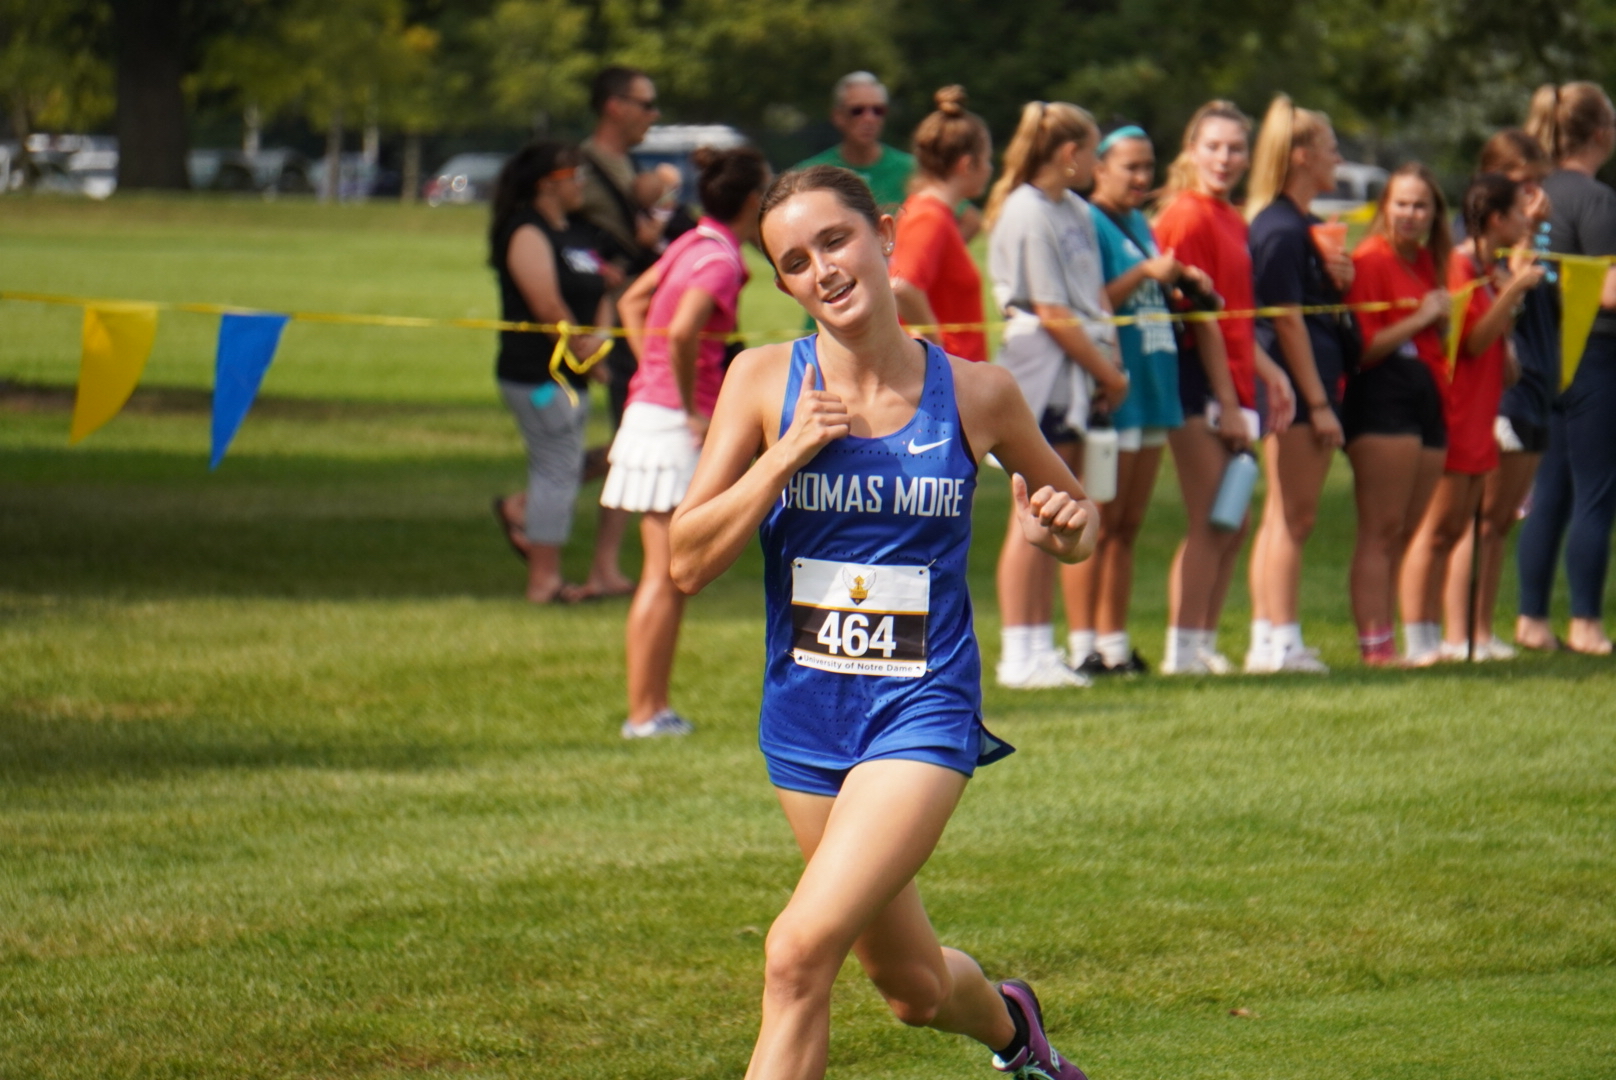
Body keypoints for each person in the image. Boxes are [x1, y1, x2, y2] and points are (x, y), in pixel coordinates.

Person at [668, 163, 1099, 1080]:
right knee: (911, 990)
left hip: (922, 712)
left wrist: (1060, 532)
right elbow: (686, 560)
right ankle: (1015, 1029)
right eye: (794, 260)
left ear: (884, 233)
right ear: (782, 283)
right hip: (806, 720)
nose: (822, 268)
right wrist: (783, 455)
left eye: (835, 240)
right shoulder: (758, 382)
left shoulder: (979, 394)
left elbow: (1080, 519)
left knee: (795, 955)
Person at [606, 146, 771, 739]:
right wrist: (688, 404)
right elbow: (679, 331)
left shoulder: (691, 241)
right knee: (664, 575)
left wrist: (648, 372)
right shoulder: (721, 260)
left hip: (650, 413)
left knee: (667, 574)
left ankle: (652, 708)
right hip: (672, 423)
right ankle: (645, 714)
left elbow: (632, 299)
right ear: (754, 202)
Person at [985, 100, 1128, 688]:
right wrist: (1110, 374)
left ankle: (1043, 647)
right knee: (1032, 507)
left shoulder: (1072, 210)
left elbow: (1087, 300)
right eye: (1092, 150)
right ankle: (1021, 651)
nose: (1095, 162)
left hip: (1072, 376)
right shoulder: (1025, 211)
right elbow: (1050, 311)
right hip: (1038, 376)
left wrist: (1101, 369)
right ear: (1070, 155)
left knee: (1059, 507)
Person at [1153, 100, 1296, 674]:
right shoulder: (1185, 217)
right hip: (1195, 383)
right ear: (1192, 150)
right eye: (1213, 146)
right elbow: (1199, 320)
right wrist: (1230, 404)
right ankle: (1182, 650)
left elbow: (1235, 316)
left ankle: (1205, 644)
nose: (1225, 158)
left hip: (1231, 383)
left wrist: (1270, 372)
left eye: (1236, 148)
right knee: (1212, 516)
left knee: (1231, 521)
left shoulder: (1231, 217)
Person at [1399, 173, 1543, 663]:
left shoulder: (1489, 271)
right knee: (1436, 530)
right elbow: (1471, 341)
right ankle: (1421, 639)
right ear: (1498, 219)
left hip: (1482, 416)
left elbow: (1498, 362)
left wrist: (1509, 297)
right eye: (1520, 214)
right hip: (1454, 413)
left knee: (1457, 530)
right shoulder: (1460, 266)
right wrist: (1514, 291)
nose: (1526, 223)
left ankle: (1448, 636)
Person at [1243, 95, 1356, 673]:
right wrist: (1318, 402)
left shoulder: (1304, 226)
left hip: (1305, 382)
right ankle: (1280, 639)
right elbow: (1284, 320)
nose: (1339, 158)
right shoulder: (1281, 228)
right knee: (1294, 515)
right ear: (1305, 155)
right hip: (1296, 389)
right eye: (1332, 148)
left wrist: (1341, 277)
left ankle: (1269, 636)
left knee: (1281, 514)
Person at [1079, 123, 1197, 674]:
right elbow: (1086, 299)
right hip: (1116, 387)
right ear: (1099, 167)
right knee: (1097, 521)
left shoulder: (1140, 223)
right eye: (1130, 166)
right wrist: (1145, 272)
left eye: (1149, 167)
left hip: (1154, 384)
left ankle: (1115, 643)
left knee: (1128, 525)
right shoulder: (1090, 221)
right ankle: (1083, 645)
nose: (1142, 177)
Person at [487, 141, 620, 603]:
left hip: (573, 373)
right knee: (556, 471)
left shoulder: (577, 233)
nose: (581, 183)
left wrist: (599, 342)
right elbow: (548, 307)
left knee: (565, 465)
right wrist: (586, 354)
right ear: (548, 184)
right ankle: (544, 581)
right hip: (538, 376)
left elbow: (603, 285)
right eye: (574, 176)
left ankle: (520, 510)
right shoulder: (526, 231)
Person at [1442, 131, 1556, 660]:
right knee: (1477, 520)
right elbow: (1474, 334)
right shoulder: (1471, 257)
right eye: (1520, 183)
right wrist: (1514, 281)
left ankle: (1483, 630)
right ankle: (1463, 631)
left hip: (1524, 384)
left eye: (1538, 181)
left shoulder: (1513, 247)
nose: (1532, 194)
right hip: (1484, 402)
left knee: (1500, 522)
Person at [1515, 82, 1616, 656]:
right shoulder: (1597, 200)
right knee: (1595, 493)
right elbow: (1608, 291)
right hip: (1594, 357)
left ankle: (1531, 618)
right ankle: (1585, 622)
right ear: (1601, 133)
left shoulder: (1534, 191)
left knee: (1549, 489)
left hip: (1543, 356)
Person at [1341, 163, 1453, 664]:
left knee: (1407, 529)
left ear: (1434, 213)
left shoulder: (1431, 262)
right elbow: (1364, 349)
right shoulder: (1369, 260)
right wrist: (1422, 317)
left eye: (1420, 205)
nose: (1410, 214)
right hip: (1383, 396)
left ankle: (1392, 640)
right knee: (1381, 527)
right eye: (1401, 203)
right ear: (1385, 206)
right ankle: (1375, 646)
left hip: (1427, 396)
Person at [575, 66, 679, 600]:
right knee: (627, 437)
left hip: (629, 316)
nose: (653, 114)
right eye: (646, 104)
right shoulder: (584, 169)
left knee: (626, 436)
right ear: (615, 105)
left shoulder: (625, 166)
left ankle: (604, 563)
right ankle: (599, 562)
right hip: (610, 322)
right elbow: (566, 239)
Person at [889, 85, 993, 363]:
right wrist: (938, 349)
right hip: (947, 383)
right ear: (966, 164)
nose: (990, 169)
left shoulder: (936, 214)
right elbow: (901, 285)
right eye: (987, 159)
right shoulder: (929, 216)